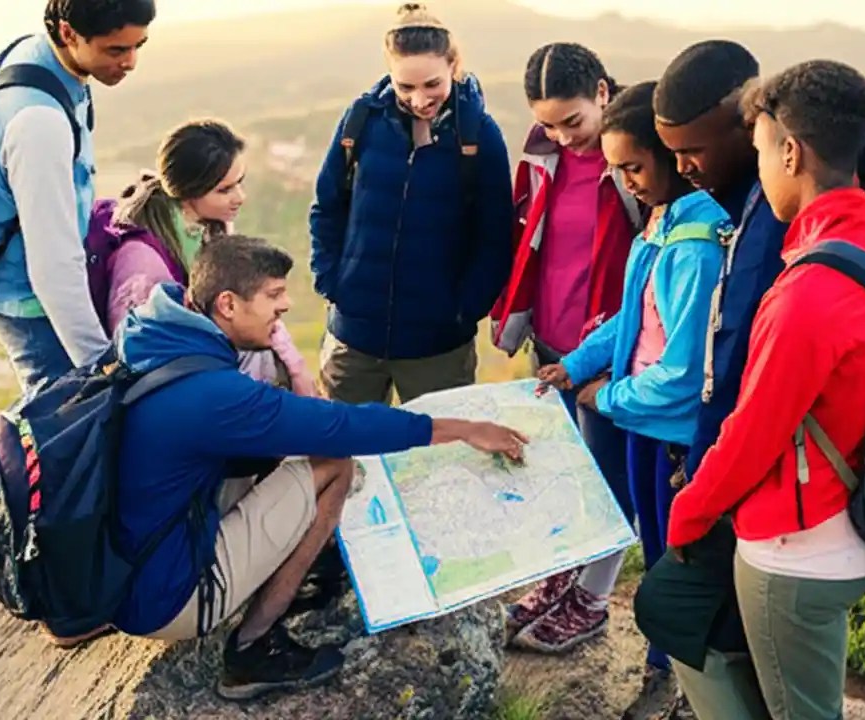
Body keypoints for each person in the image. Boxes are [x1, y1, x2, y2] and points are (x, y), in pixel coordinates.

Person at [112, 235, 528, 700]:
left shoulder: (152, 336)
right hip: (168, 598)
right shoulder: (214, 394)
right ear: (227, 304)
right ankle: (253, 651)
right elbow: (339, 426)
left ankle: (292, 567)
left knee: (281, 451)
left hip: (128, 566)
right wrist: (462, 428)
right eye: (273, 296)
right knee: (333, 464)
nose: (285, 306)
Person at [668, 60, 865, 719]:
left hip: (797, 551)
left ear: (791, 150)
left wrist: (688, 512)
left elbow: (753, 432)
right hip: (852, 517)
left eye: (761, 149)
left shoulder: (808, 292)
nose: (760, 167)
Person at [527, 81, 733, 692]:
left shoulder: (695, 246)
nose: (625, 181)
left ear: (672, 154)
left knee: (674, 559)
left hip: (669, 431)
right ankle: (662, 665)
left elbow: (681, 369)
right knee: (652, 542)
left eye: (633, 167)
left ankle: (671, 676)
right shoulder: (663, 221)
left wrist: (605, 397)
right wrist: (577, 361)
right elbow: (631, 315)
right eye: (616, 169)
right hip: (644, 424)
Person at [492, 41, 639, 657]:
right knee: (561, 468)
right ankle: (562, 574)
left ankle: (594, 597)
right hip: (550, 338)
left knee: (607, 476)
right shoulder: (541, 154)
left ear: (603, 92)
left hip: (608, 346)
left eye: (572, 120)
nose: (563, 134)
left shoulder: (635, 159)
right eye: (548, 122)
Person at [309, 2, 513, 405]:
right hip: (353, 336)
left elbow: (496, 236)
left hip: (438, 346)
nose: (420, 99)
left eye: (432, 85)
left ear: (453, 65)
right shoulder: (361, 121)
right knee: (341, 456)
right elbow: (327, 207)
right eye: (406, 87)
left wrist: (463, 309)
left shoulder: (479, 135)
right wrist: (331, 282)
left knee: (443, 459)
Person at [0, 0, 155, 397]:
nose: (130, 62)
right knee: (70, 436)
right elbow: (53, 268)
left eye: (138, 46)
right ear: (67, 33)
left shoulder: (45, 59)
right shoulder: (38, 124)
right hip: (35, 309)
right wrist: (102, 366)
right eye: (116, 50)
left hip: (38, 297)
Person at [89, 119, 313, 395]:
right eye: (224, 190)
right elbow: (143, 358)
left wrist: (296, 367)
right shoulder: (142, 264)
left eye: (239, 184)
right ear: (187, 190)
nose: (240, 197)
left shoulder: (210, 230)